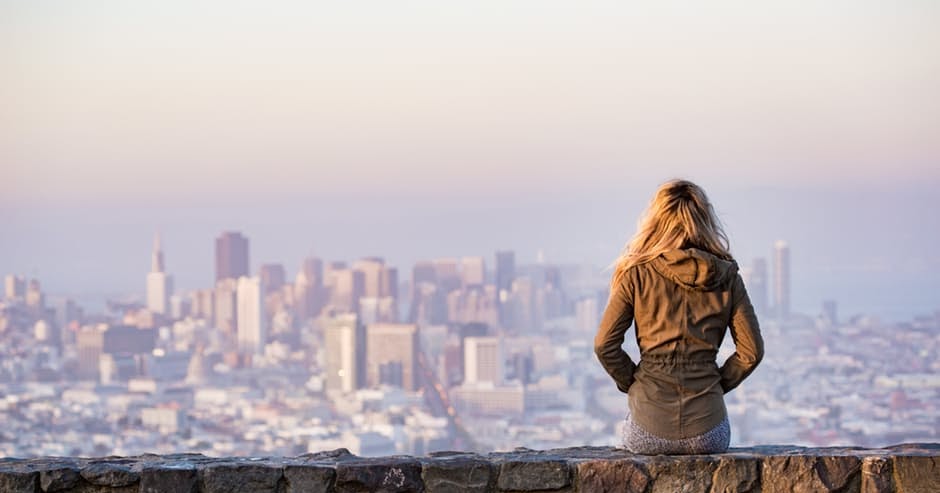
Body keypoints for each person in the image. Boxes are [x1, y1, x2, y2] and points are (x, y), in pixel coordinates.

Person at [594, 179, 763, 455]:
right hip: (709, 431)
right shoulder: (727, 276)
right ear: (705, 220)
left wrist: (633, 383)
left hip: (648, 428)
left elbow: (604, 345)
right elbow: (751, 352)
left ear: (656, 221)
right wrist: (715, 384)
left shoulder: (636, 274)